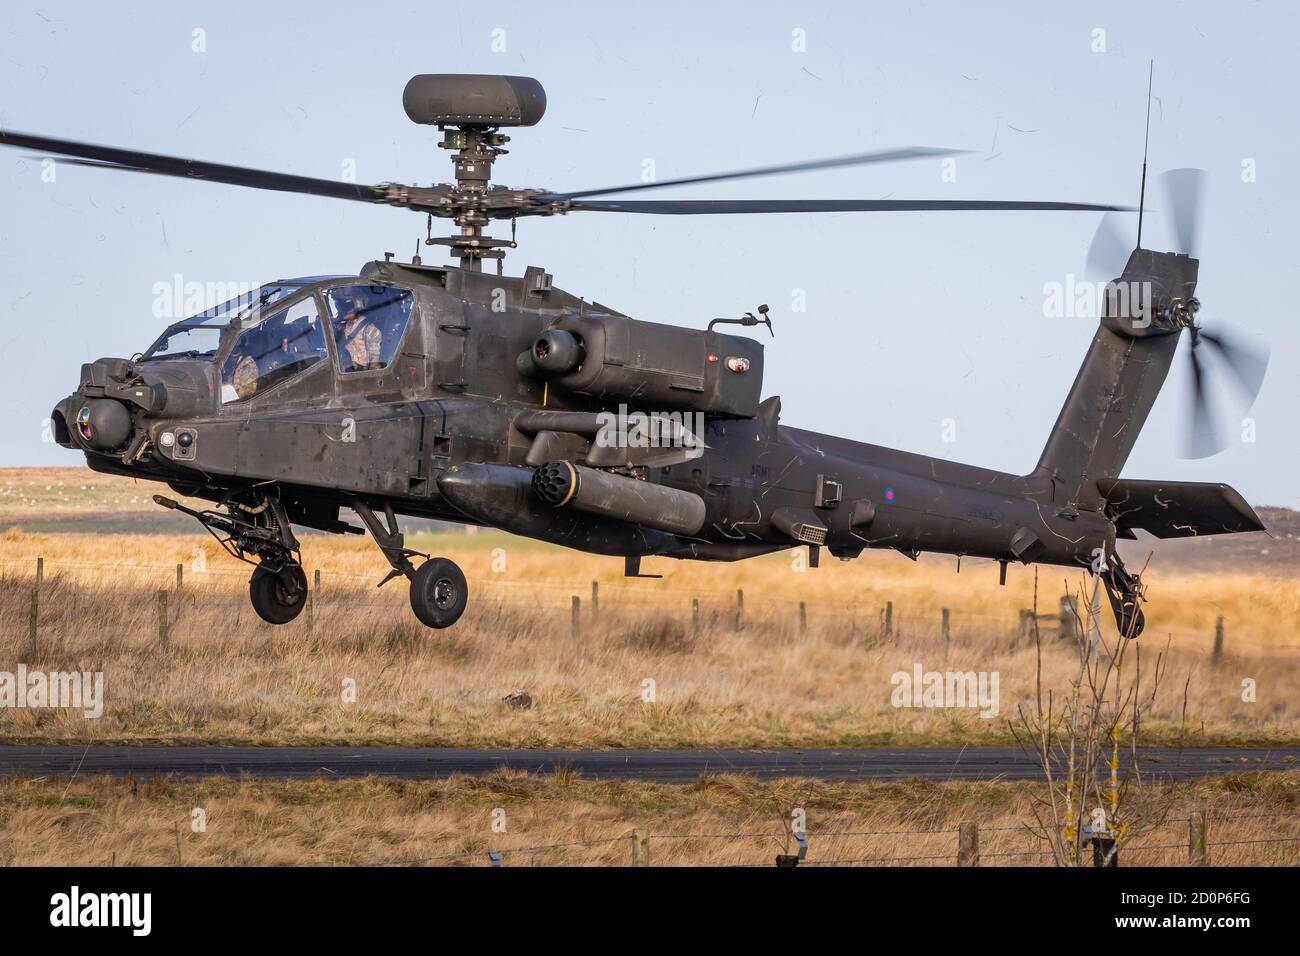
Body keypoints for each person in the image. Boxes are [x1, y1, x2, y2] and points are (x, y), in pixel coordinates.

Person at [335, 290, 383, 371]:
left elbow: (374, 365)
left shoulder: (370, 331)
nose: (341, 310)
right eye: (339, 305)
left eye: (347, 306)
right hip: (347, 370)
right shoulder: (343, 327)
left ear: (358, 308)